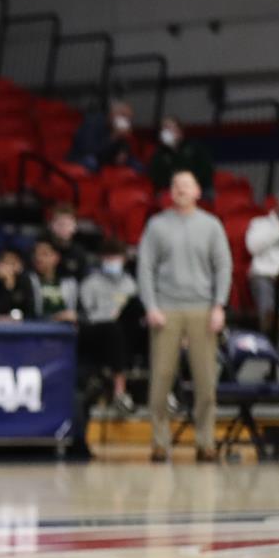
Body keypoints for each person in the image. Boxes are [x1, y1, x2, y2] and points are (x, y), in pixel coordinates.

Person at [139, 170, 231, 462]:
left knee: (206, 382)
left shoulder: (211, 225)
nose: (181, 189)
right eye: (176, 184)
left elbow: (223, 267)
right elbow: (145, 267)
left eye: (187, 185)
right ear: (170, 190)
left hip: (202, 309)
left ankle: (206, 443)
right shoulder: (157, 225)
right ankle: (159, 443)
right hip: (166, 308)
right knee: (161, 380)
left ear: (197, 192)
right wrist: (151, 306)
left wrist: (219, 306)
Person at [79, 239, 141, 411]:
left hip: (126, 331)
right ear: (101, 258)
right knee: (113, 330)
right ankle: (120, 391)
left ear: (124, 259)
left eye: (117, 257)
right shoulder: (90, 283)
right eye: (109, 257)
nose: (113, 261)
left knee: (137, 309)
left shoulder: (129, 282)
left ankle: (168, 392)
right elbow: (88, 315)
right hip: (98, 330)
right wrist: (110, 315)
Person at [245, 203, 279, 339]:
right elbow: (253, 247)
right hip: (262, 274)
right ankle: (269, 332)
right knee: (267, 304)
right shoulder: (259, 223)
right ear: (278, 205)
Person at [147, 117, 214, 195]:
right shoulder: (158, 154)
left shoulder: (195, 147)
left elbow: (206, 169)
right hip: (171, 192)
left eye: (169, 128)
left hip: (199, 189)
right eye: (164, 129)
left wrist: (190, 184)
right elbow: (156, 176)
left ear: (180, 131)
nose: (166, 132)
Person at [28, 239, 79, 322]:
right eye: (36, 254)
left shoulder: (70, 282)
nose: (38, 258)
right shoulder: (27, 281)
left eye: (44, 254)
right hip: (36, 329)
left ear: (56, 257)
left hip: (65, 329)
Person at [0, 246, 39, 321]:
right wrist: (6, 284)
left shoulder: (26, 281)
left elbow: (30, 311)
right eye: (5, 262)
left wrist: (10, 284)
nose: (8, 267)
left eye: (12, 263)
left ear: (20, 265)